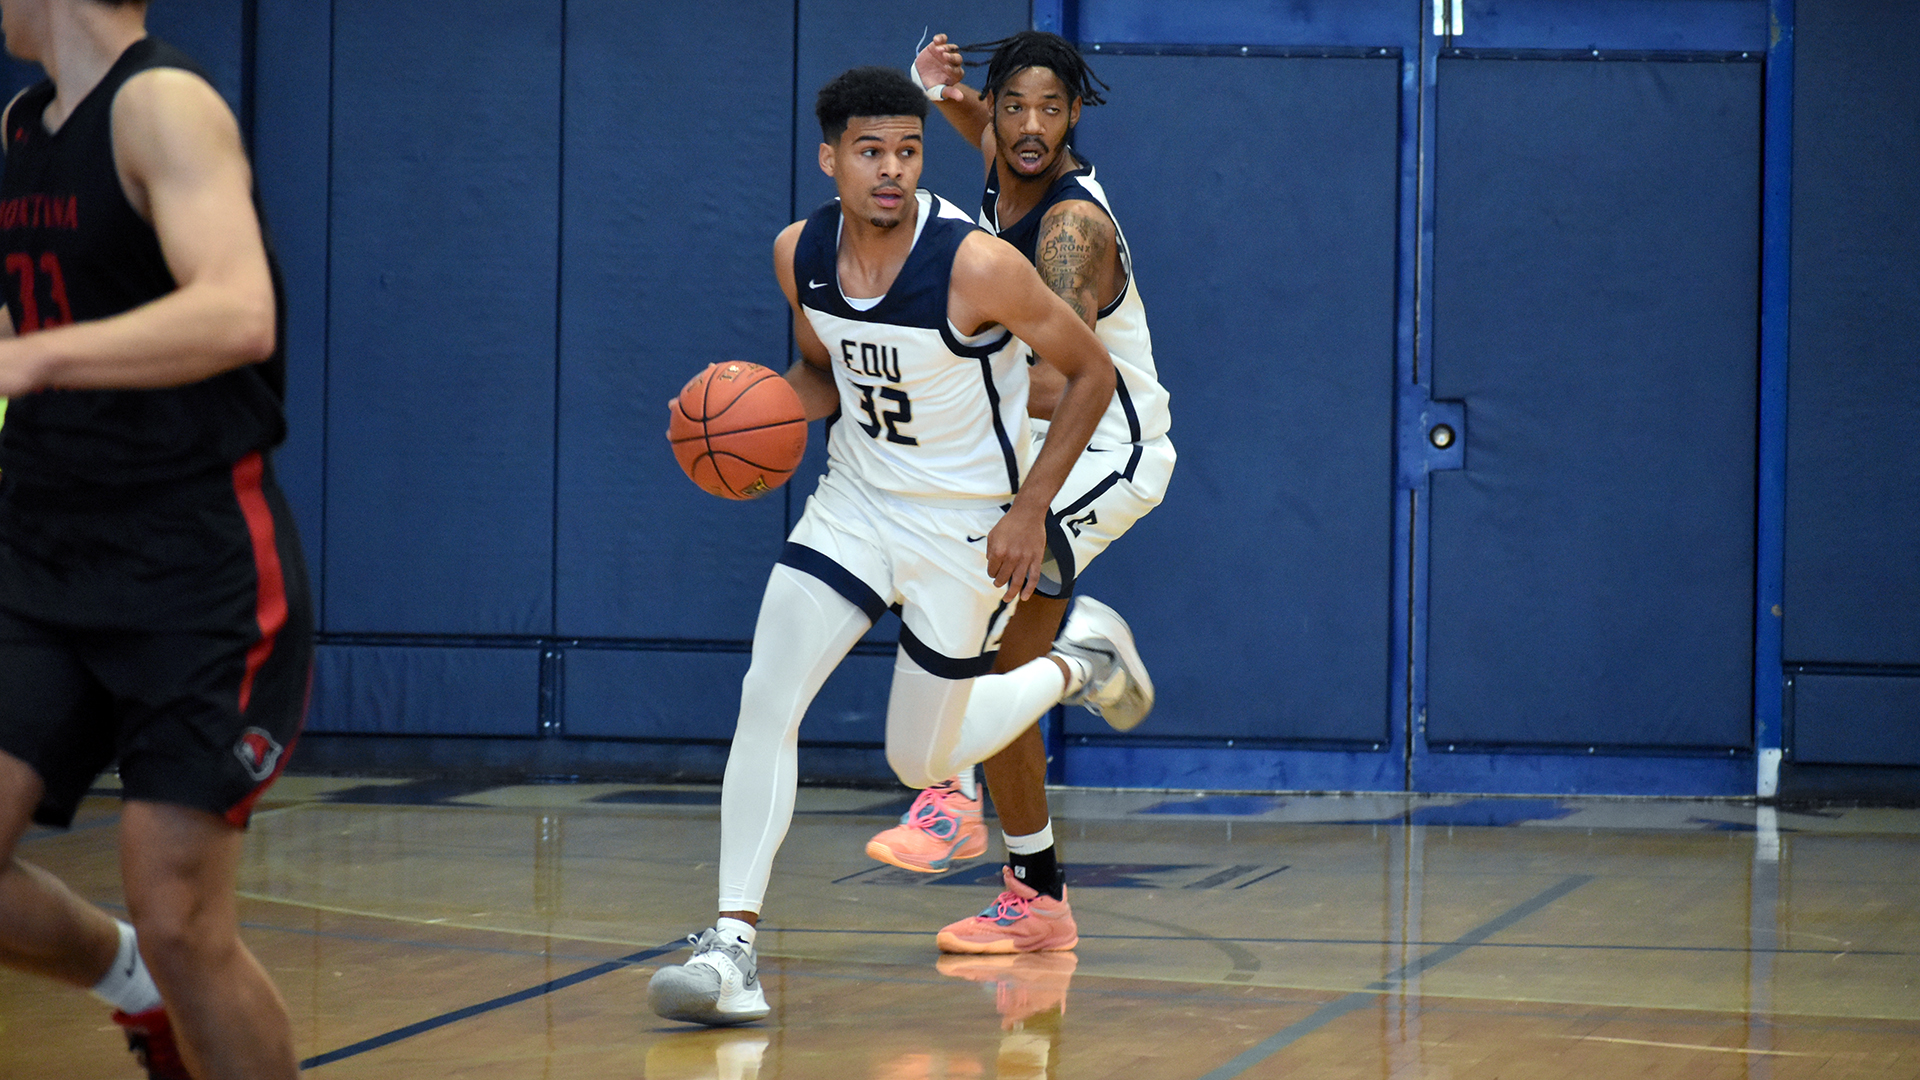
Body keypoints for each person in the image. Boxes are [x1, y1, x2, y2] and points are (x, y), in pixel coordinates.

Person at [647, 65, 1149, 1027]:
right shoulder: (801, 252)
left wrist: (1031, 509)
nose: (892, 171)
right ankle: (731, 948)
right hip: (855, 505)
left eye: (909, 152)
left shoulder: (976, 264)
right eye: (871, 153)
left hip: (963, 524)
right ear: (830, 157)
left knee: (920, 762)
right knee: (767, 695)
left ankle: (1074, 664)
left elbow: (1090, 375)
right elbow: (818, 377)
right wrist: (732, 422)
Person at [0, 2, 312, 1078]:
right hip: (42, 554)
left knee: (180, 912)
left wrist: (38, 359)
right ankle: (131, 986)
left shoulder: (162, 105)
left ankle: (162, 970)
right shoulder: (23, 129)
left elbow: (236, 311)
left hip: (193, 565)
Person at [862, 30, 1175, 955]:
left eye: (1051, 110)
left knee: (989, 641)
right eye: (1013, 109)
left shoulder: (1074, 228)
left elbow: (1059, 376)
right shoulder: (1006, 160)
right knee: (971, 637)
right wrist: (938, 88)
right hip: (1040, 442)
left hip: (1108, 446)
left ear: (1078, 116)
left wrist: (939, 376)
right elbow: (976, 123)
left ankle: (971, 778)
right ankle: (1035, 892)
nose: (1030, 127)